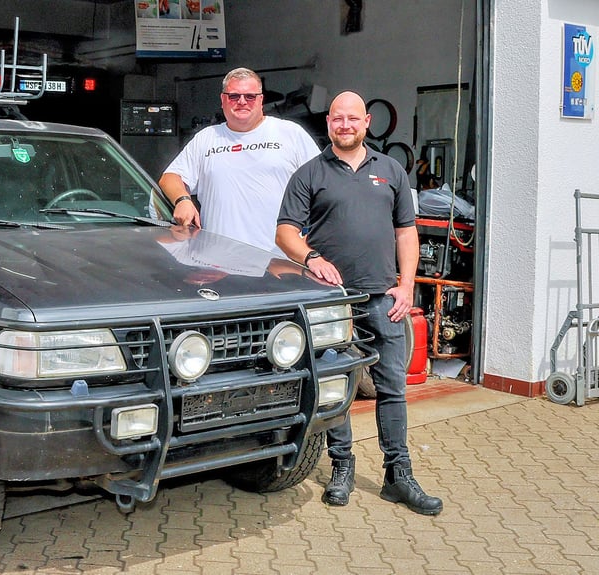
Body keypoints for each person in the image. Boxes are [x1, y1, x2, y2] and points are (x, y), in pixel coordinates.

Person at [275, 91, 443, 516]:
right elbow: (285, 233)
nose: (344, 125)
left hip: (384, 297)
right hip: (332, 304)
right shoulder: (310, 173)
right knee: (337, 389)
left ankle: (398, 475)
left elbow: (407, 231)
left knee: (391, 387)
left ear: (366, 122)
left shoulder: (391, 170)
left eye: (352, 118)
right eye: (337, 118)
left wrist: (406, 287)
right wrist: (312, 258)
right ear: (328, 123)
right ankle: (342, 466)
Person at [159, 67, 319, 254]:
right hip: (219, 262)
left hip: (279, 263)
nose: (242, 102)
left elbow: (324, 186)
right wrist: (183, 199)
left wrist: (313, 239)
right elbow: (170, 177)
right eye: (234, 96)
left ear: (261, 100)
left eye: (250, 96)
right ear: (223, 100)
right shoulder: (207, 138)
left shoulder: (291, 133)